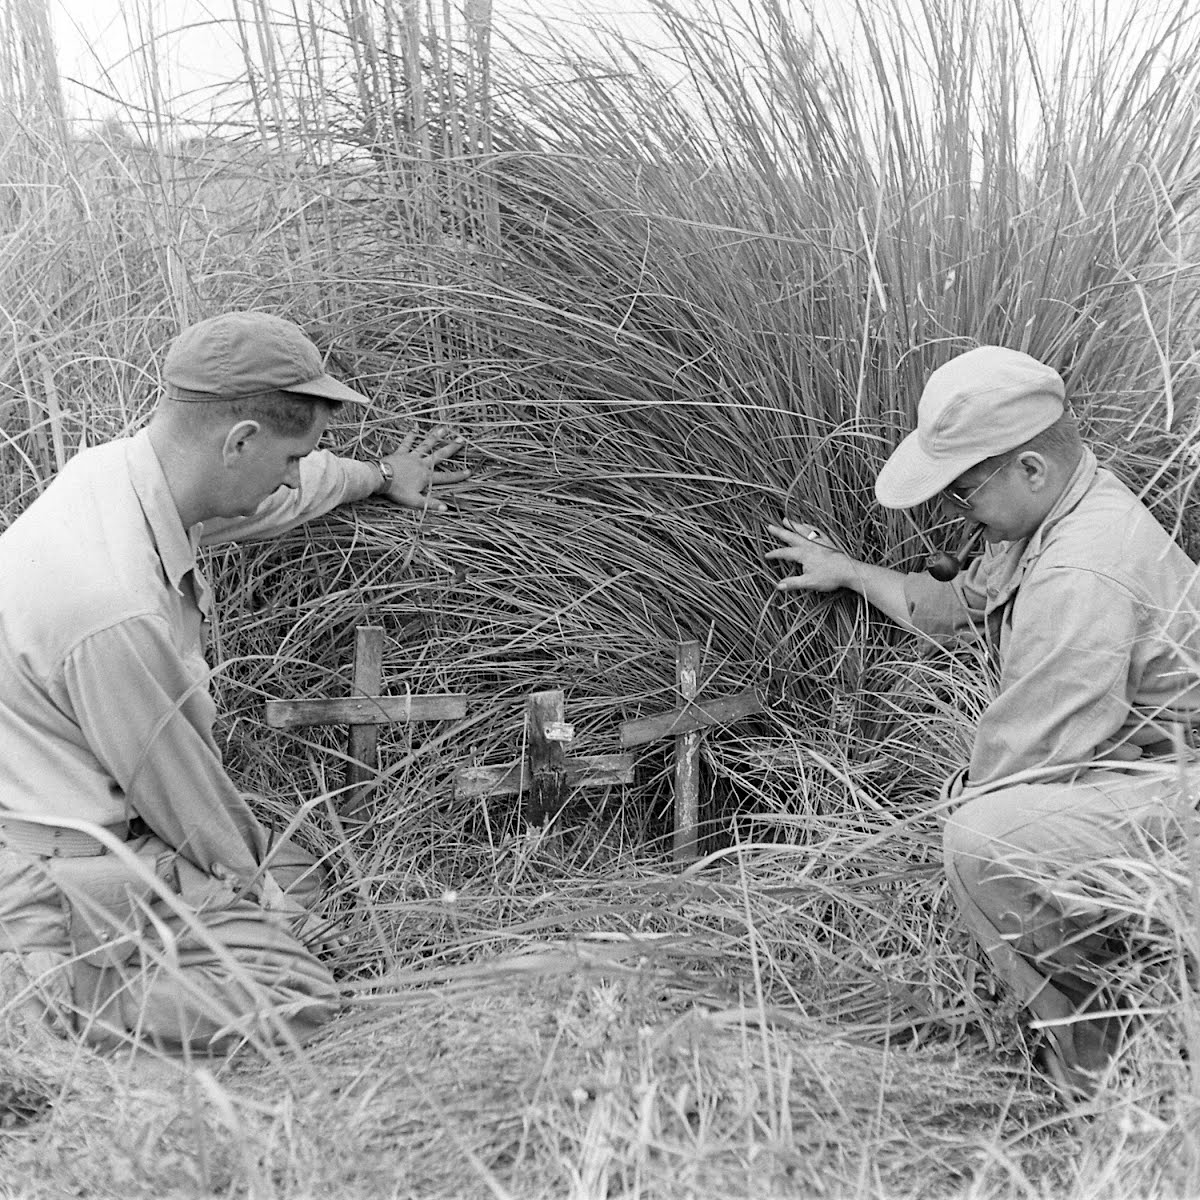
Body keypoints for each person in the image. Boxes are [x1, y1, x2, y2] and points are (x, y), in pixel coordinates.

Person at [0, 311, 469, 1054]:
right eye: (288, 453)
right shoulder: (111, 604)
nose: (295, 470)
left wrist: (379, 479)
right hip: (54, 875)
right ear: (239, 441)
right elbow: (190, 804)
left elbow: (294, 490)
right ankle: (41, 1003)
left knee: (296, 865)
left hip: (104, 828)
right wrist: (272, 910)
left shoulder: (123, 478)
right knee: (296, 993)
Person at [766, 345, 1200, 1098]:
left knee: (987, 840)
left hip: (1182, 796)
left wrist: (947, 819)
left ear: (1030, 469)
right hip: (1156, 771)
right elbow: (955, 604)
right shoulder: (1052, 515)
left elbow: (1022, 772)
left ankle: (1112, 1077)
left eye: (964, 492)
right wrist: (850, 572)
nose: (954, 512)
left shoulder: (1080, 573)